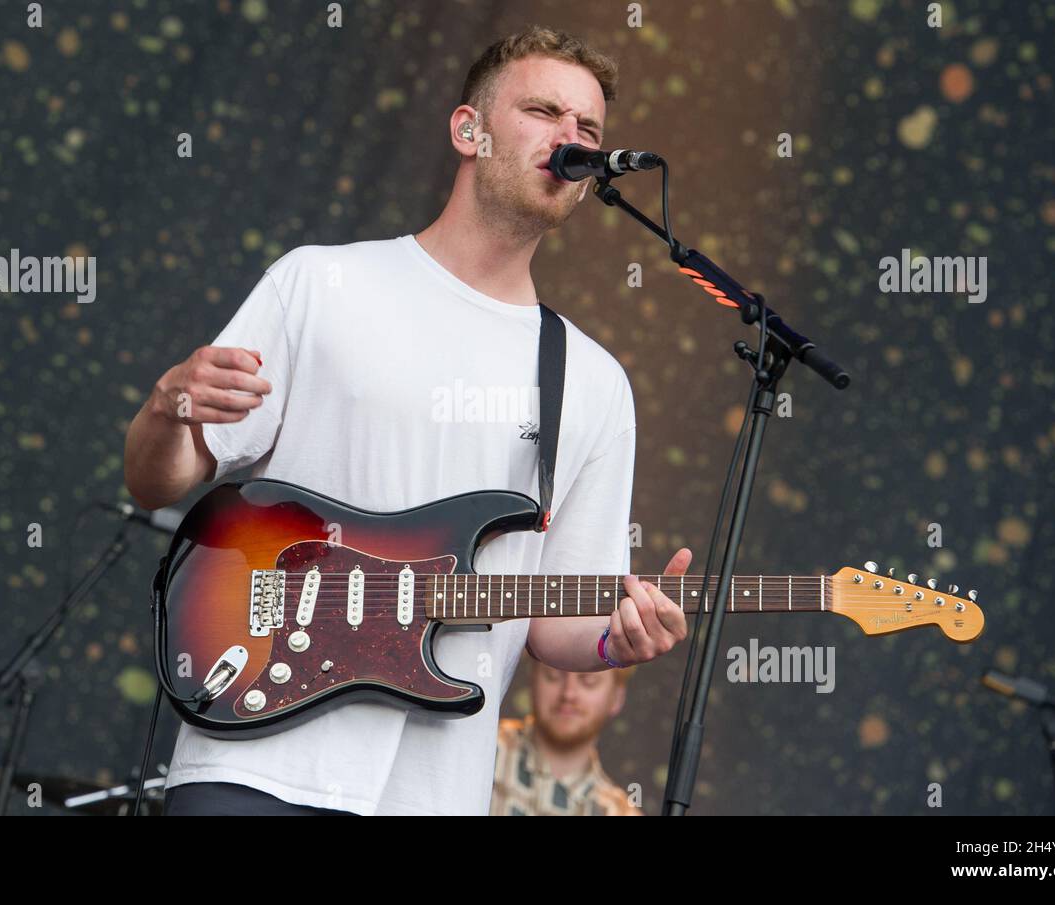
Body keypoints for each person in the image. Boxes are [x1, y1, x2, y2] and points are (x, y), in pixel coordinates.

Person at [124, 24, 692, 816]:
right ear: (469, 129)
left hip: (433, 792)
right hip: (257, 757)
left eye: (589, 131)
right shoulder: (320, 284)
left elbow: (556, 624)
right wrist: (167, 405)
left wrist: (616, 637)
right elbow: (158, 479)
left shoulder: (593, 382)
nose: (572, 139)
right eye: (543, 111)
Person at [492, 657, 642, 816]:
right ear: (532, 677)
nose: (568, 693)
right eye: (553, 675)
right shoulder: (480, 750)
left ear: (617, 697)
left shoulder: (619, 813)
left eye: (588, 680)